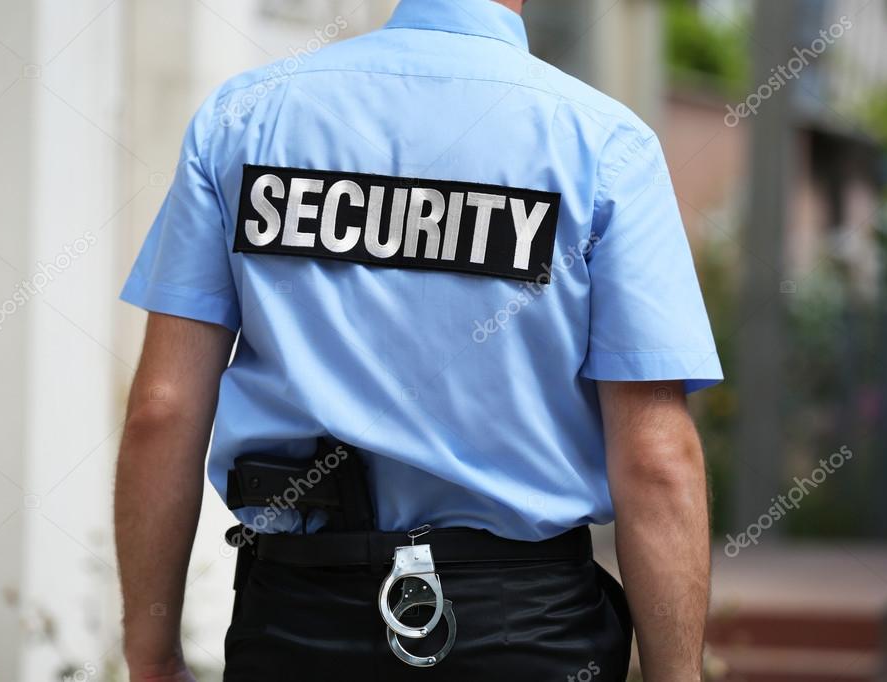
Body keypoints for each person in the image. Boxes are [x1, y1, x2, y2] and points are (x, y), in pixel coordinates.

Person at [114, 0, 723, 680]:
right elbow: (655, 458)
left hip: (295, 621)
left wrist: (151, 655)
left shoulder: (243, 118)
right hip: (525, 630)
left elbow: (162, 412)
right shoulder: (602, 143)